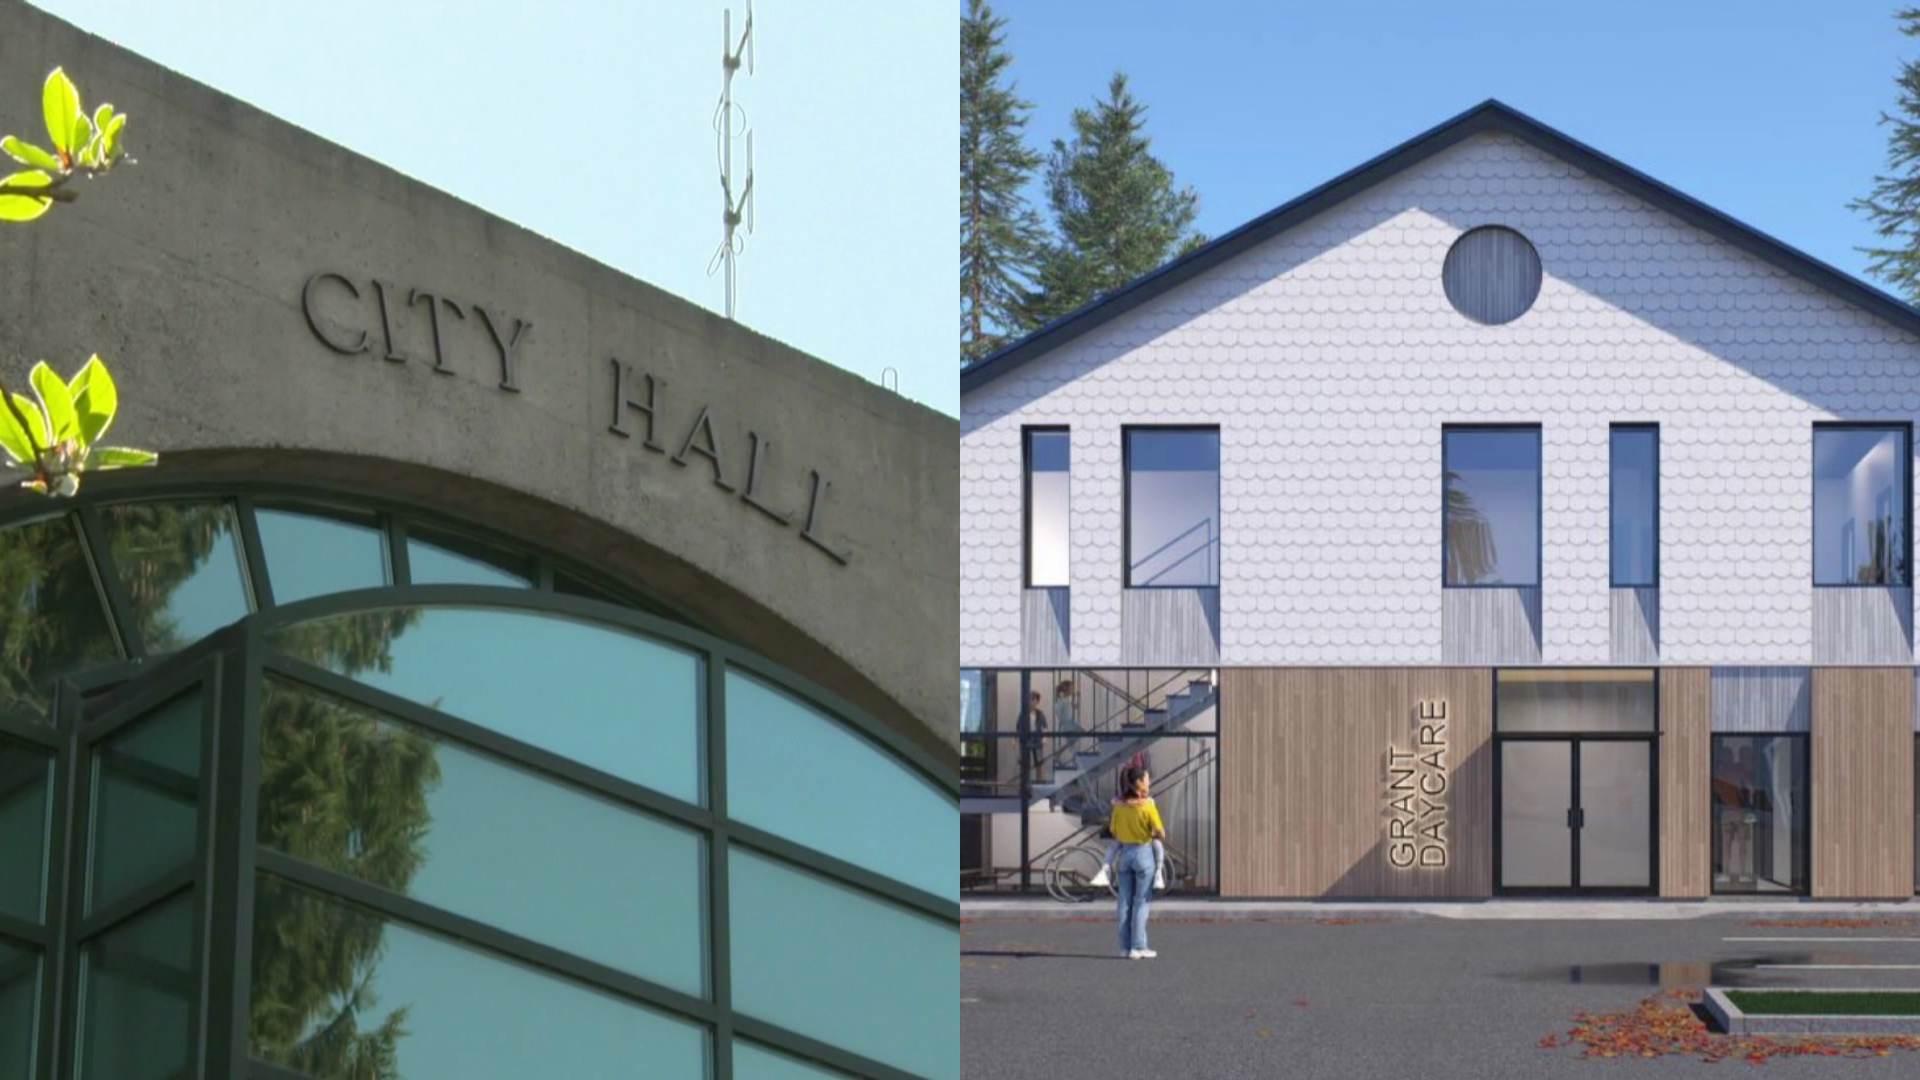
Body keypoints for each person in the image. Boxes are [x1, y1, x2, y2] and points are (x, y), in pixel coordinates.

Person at [1109, 765, 1166, 960]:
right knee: (1141, 903)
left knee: (1124, 902)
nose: (1149, 782)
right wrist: (1151, 833)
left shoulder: (1118, 805)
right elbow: (1160, 831)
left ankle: (1124, 948)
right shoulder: (1148, 805)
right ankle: (1138, 946)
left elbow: (1113, 831)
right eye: (1147, 779)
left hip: (1125, 855)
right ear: (1139, 783)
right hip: (1143, 854)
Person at [1020, 691, 1048, 784]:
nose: (1032, 702)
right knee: (1025, 764)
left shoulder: (1040, 714)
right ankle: (1026, 784)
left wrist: (1044, 738)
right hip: (1027, 740)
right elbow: (1018, 728)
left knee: (1039, 763)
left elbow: (1045, 727)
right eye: (1030, 699)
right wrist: (1015, 741)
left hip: (1037, 740)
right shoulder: (1023, 713)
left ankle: (1040, 783)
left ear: (1037, 701)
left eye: (1034, 700)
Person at [1051, 678, 1080, 768]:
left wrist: (1074, 703)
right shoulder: (1062, 699)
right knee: (1073, 738)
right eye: (1071, 688)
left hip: (1069, 721)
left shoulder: (1064, 698)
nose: (1073, 690)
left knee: (1074, 738)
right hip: (1067, 722)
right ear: (1067, 689)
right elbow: (1058, 709)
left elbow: (1069, 701)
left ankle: (1059, 753)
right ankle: (1061, 754)